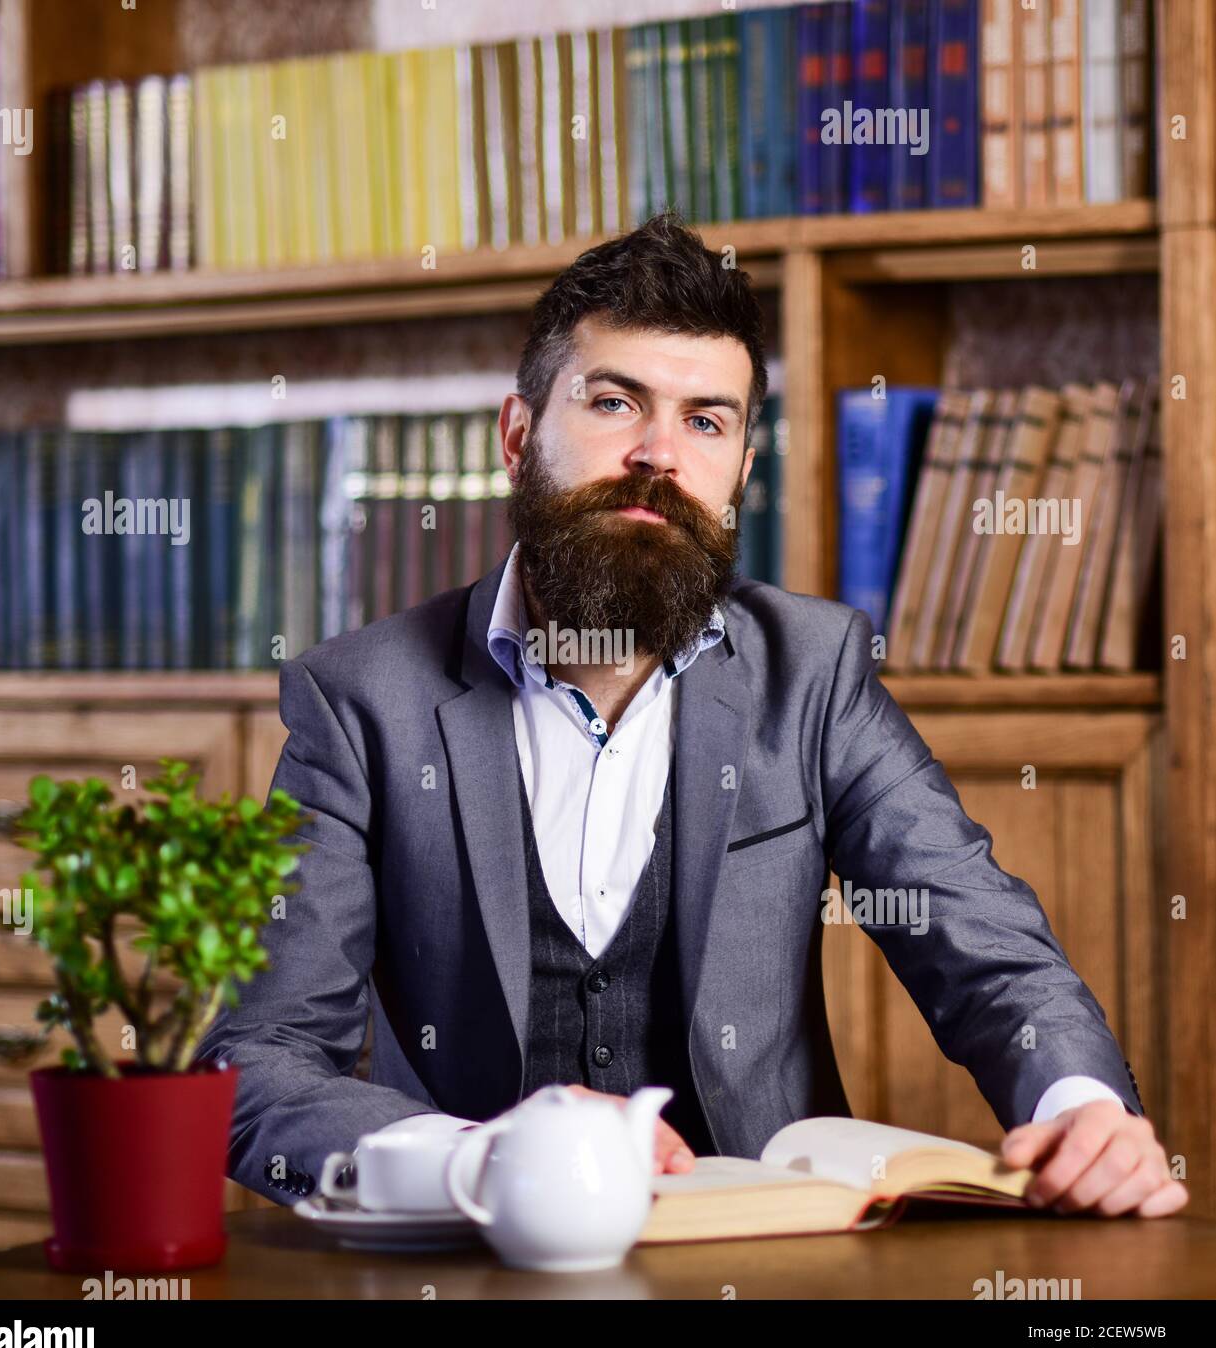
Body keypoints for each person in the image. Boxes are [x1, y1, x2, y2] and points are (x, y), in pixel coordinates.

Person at [199, 212, 1186, 1220]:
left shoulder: (814, 675)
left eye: (706, 420)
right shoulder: (363, 702)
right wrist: (472, 1159)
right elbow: (256, 1065)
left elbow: (987, 951)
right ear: (517, 434)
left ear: (740, 472)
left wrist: (1082, 1104)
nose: (658, 455)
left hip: (772, 1267)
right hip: (473, 1269)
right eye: (615, 402)